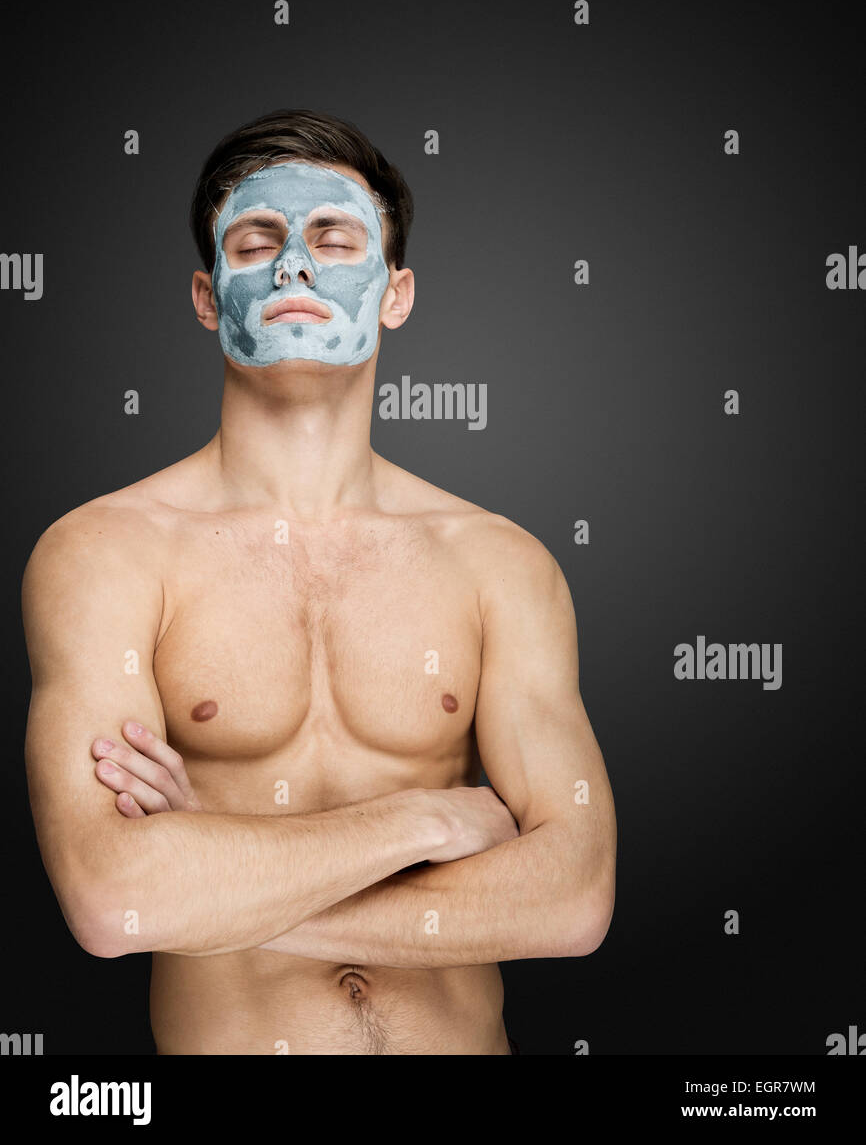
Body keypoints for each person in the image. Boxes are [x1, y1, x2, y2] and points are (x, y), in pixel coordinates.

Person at [23, 108, 617, 1055]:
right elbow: (112, 900)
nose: (294, 264)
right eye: (257, 242)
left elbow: (575, 897)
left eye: (334, 238)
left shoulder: (500, 561)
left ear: (396, 293)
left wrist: (215, 871)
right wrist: (427, 817)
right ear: (208, 295)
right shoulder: (105, 553)